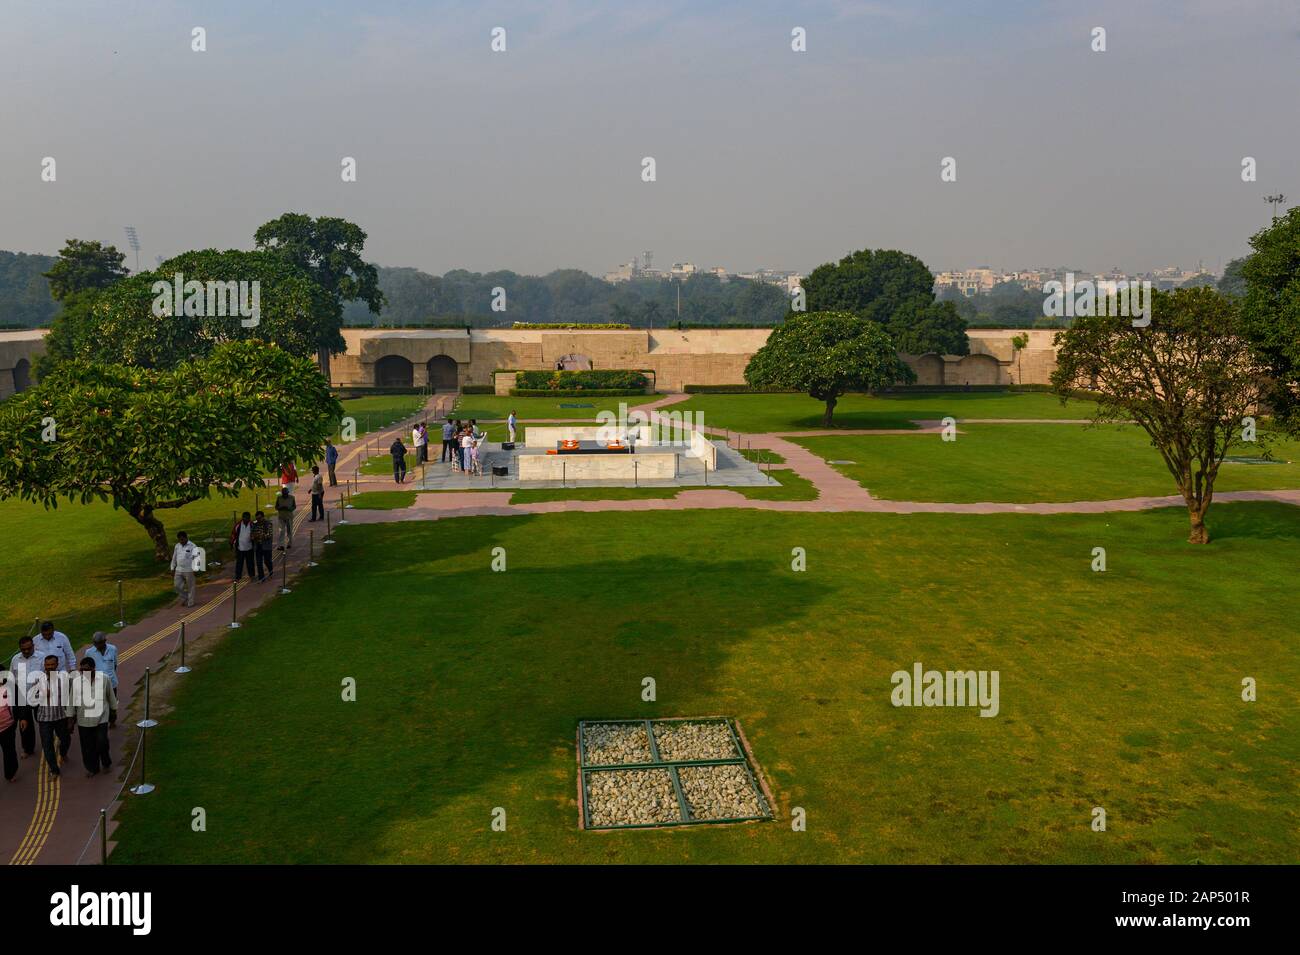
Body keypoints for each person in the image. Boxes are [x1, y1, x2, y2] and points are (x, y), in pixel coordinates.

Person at [72, 658, 116, 778]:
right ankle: (92, 768)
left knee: (102, 742)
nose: (83, 672)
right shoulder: (76, 682)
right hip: (83, 719)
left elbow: (110, 696)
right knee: (87, 746)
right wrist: (70, 718)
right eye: (81, 670)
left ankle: (106, 762)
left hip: (101, 717)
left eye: (86, 669)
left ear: (93, 668)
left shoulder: (104, 679)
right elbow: (71, 701)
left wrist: (113, 711)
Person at [32, 655, 72, 777]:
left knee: (66, 739)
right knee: (47, 744)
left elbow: (71, 698)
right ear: (44, 666)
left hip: (60, 716)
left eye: (52, 665)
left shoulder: (64, 679)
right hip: (45, 718)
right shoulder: (38, 680)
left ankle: (63, 752)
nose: (49, 667)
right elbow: (32, 699)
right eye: (47, 665)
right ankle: (54, 769)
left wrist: (71, 718)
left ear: (57, 665)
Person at [7, 637, 39, 758]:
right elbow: (11, 677)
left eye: (28, 648)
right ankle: (28, 748)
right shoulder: (15, 659)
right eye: (23, 649)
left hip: (38, 696)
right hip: (22, 697)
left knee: (42, 721)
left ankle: (49, 741)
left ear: (33, 646)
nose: (26, 651)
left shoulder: (40, 657)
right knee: (25, 725)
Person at [171, 530, 199, 607]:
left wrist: (196, 568)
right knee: (177, 586)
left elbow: (196, 558)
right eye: (179, 540)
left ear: (186, 538)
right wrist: (172, 567)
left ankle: (191, 602)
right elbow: (174, 557)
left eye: (182, 539)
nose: (181, 541)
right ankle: (185, 597)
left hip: (189, 569)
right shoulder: (177, 546)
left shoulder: (193, 546)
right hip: (179, 569)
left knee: (191, 586)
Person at [0, 666, 16, 783]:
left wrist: (24, 718)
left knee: (9, 751)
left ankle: (10, 773)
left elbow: (20, 704)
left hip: (7, 726)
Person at [230, 511, 256, 582]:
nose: (246, 520)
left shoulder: (252, 524)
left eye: (248, 518)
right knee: (239, 563)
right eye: (245, 518)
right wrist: (232, 544)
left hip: (249, 548)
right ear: (242, 518)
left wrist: (254, 540)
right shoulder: (238, 525)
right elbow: (233, 534)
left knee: (250, 563)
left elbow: (255, 534)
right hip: (240, 548)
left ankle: (252, 576)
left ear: (249, 518)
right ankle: (238, 577)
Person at [252, 510, 275, 581]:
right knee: (259, 562)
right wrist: (253, 537)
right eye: (257, 519)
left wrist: (259, 535)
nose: (258, 520)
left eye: (259, 518)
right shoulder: (255, 525)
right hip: (258, 546)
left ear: (263, 517)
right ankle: (261, 577)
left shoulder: (268, 524)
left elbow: (269, 535)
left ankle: (271, 571)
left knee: (267, 561)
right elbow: (252, 534)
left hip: (266, 546)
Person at [274, 486, 296, 551]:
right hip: (281, 517)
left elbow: (294, 506)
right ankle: (281, 545)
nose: (285, 495)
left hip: (289, 516)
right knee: (281, 531)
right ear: (282, 493)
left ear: (288, 493)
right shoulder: (279, 498)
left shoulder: (292, 498)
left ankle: (289, 544)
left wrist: (289, 509)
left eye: (286, 493)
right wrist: (280, 508)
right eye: (284, 494)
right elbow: (276, 507)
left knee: (289, 530)